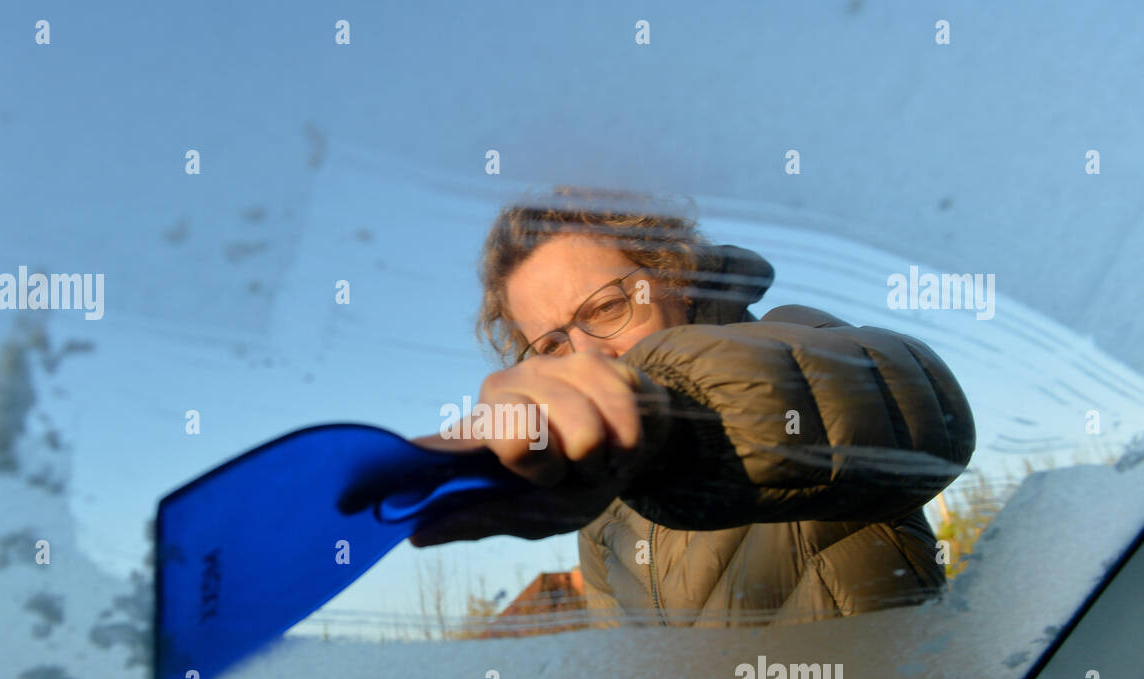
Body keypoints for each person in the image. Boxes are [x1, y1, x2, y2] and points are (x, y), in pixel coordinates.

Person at [410, 186, 976, 628]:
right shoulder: (602, 514)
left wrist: (673, 423)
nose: (587, 356)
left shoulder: (795, 336)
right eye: (552, 345)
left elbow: (922, 405)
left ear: (673, 275)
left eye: (606, 309)